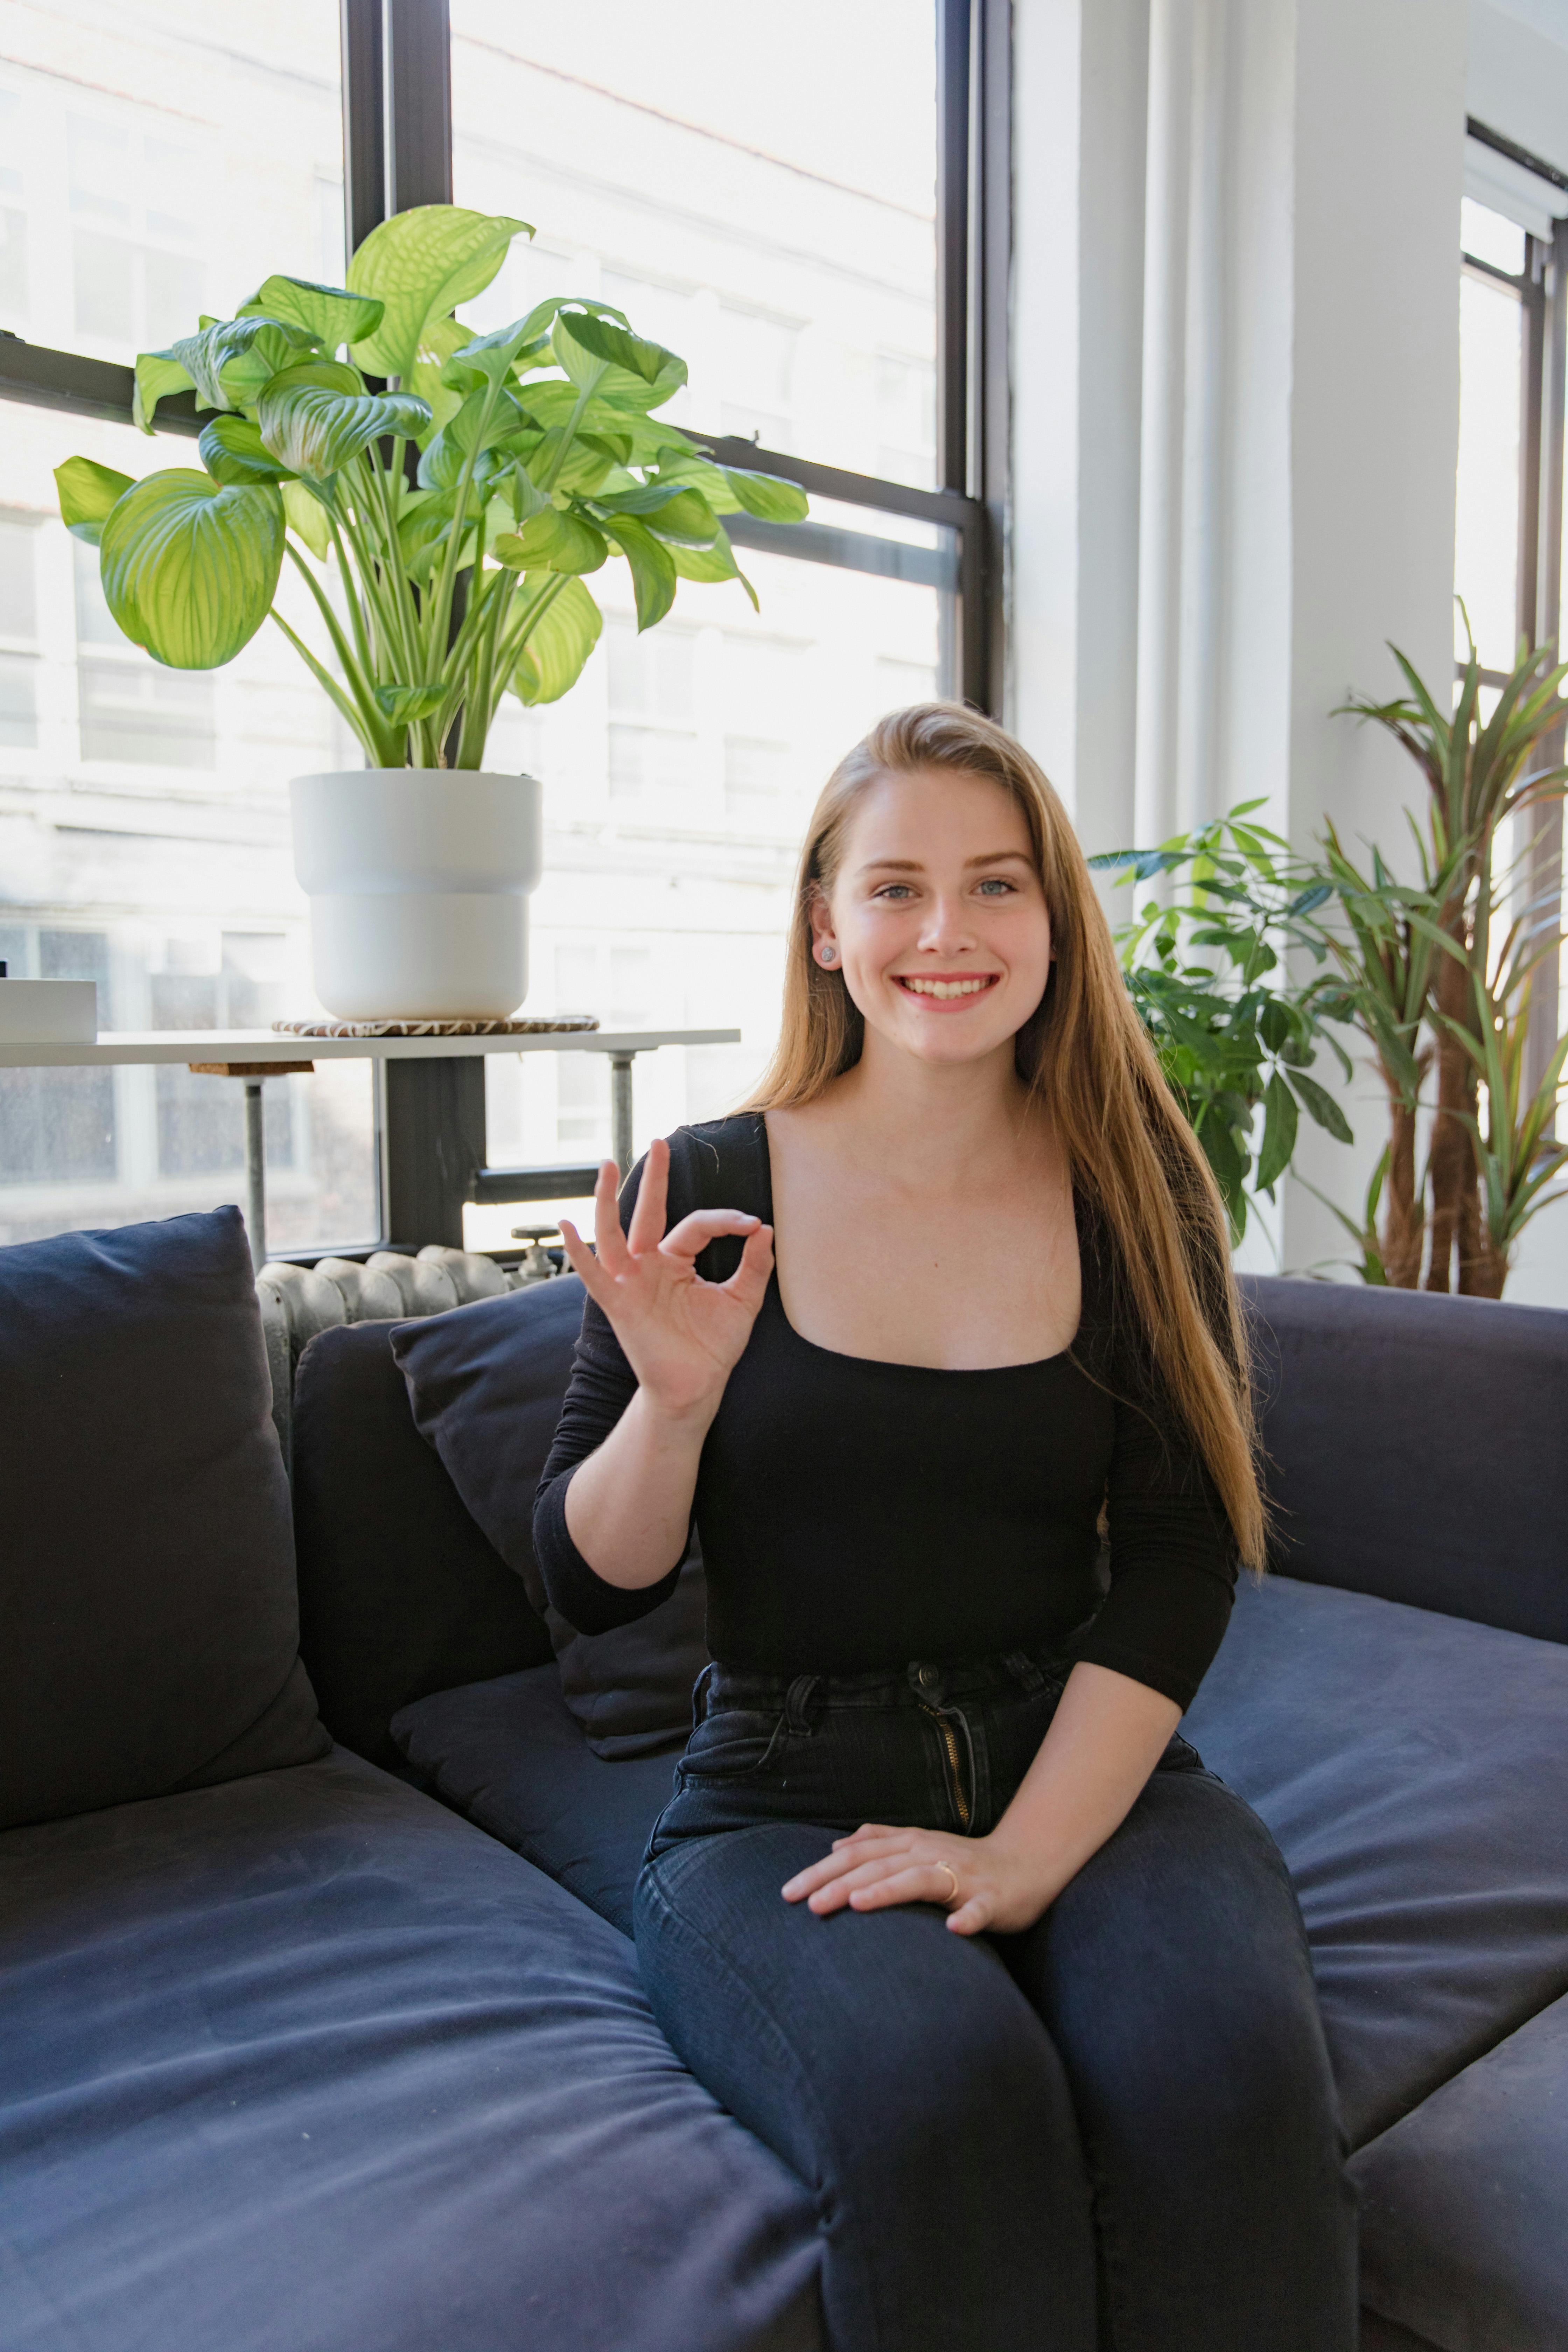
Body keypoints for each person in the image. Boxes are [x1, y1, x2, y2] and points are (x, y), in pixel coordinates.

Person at [534, 702, 1356, 2351]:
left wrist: (1026, 1850)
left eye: (996, 886)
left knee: (1225, 2078)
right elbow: (588, 1587)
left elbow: (1186, 1556)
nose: (946, 934)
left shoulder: (1134, 1185)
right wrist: (675, 1404)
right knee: (949, 2104)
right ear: (824, 928)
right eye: (895, 888)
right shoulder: (706, 1177)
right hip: (780, 1800)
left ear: (1053, 921)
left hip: (1090, 1768)